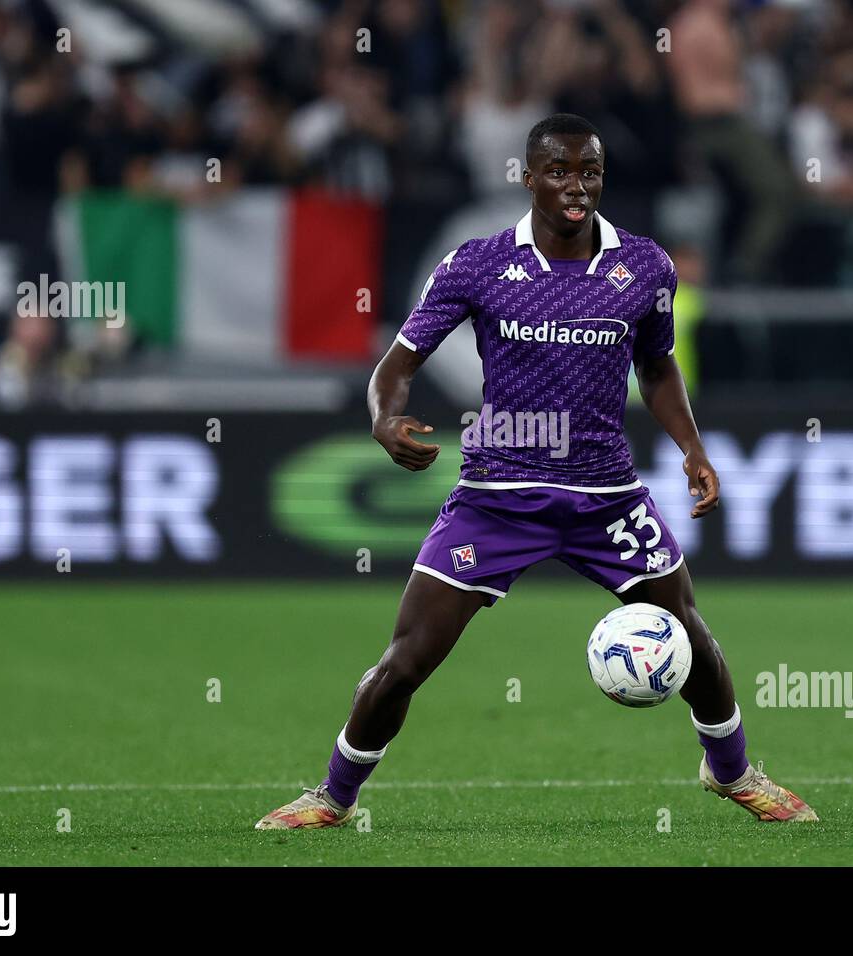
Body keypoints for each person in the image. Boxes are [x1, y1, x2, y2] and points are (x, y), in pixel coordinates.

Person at [255, 114, 817, 830]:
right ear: (528, 178)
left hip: (607, 499)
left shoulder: (644, 266)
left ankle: (732, 772)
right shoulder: (478, 264)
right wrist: (383, 418)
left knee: (694, 641)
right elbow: (397, 364)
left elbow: (657, 365)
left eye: (589, 171)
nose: (576, 186)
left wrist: (693, 449)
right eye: (559, 171)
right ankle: (333, 797)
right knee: (406, 661)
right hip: (496, 499)